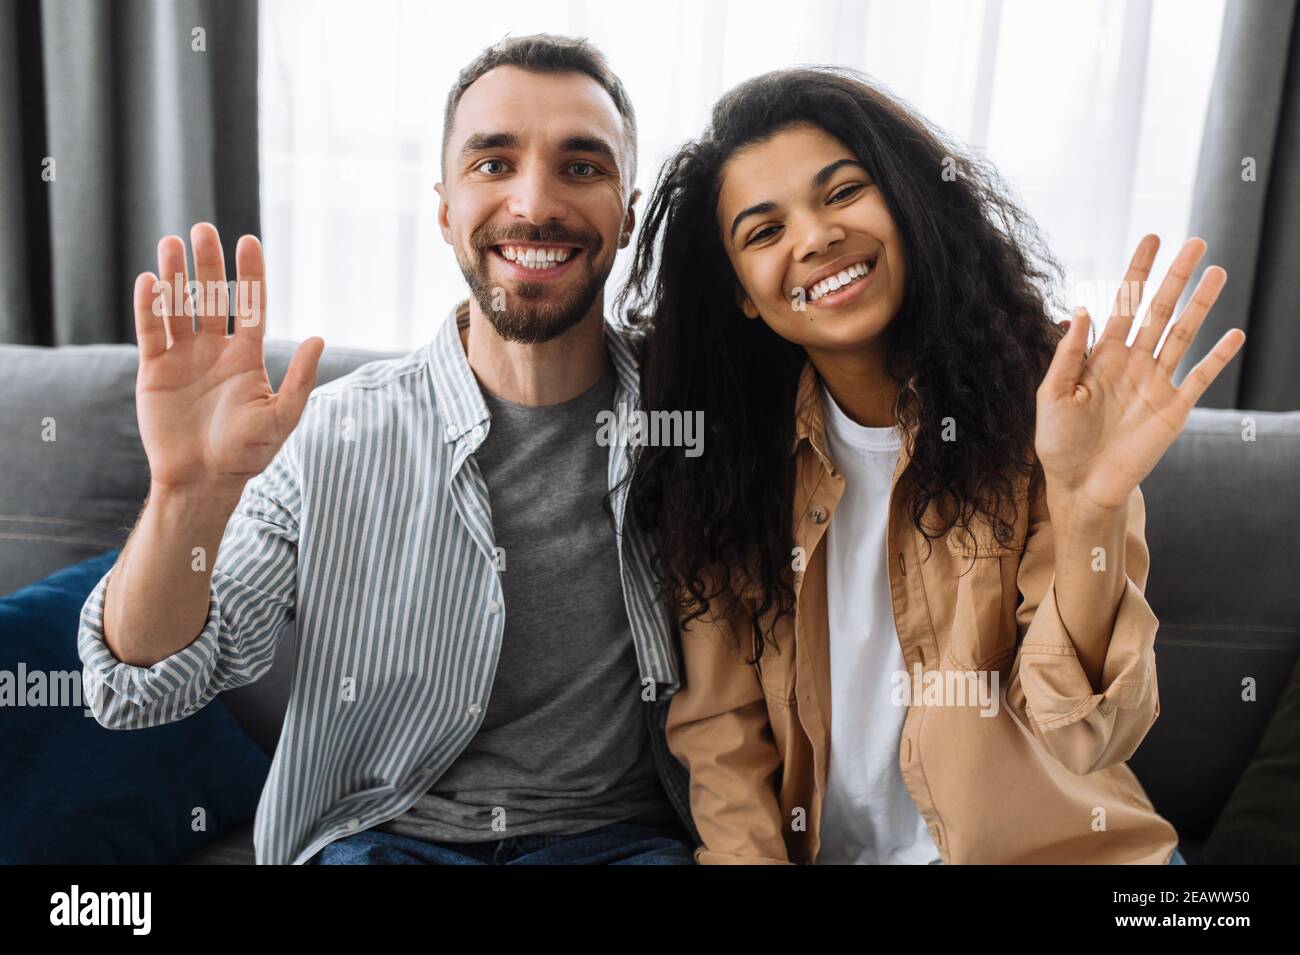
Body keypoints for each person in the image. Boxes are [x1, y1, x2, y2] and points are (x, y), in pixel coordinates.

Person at [77, 34, 698, 866]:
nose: (534, 202)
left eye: (581, 167)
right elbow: (140, 689)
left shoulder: (692, 428)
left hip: (621, 845)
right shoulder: (331, 435)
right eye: (493, 163)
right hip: (383, 839)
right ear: (444, 210)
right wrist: (188, 487)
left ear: (626, 211)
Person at [624, 67, 1241, 864]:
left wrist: (1090, 507)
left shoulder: (1048, 402)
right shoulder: (724, 462)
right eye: (764, 231)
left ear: (909, 204)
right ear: (742, 292)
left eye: (842, 193)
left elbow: (1090, 733)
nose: (814, 238)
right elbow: (722, 739)